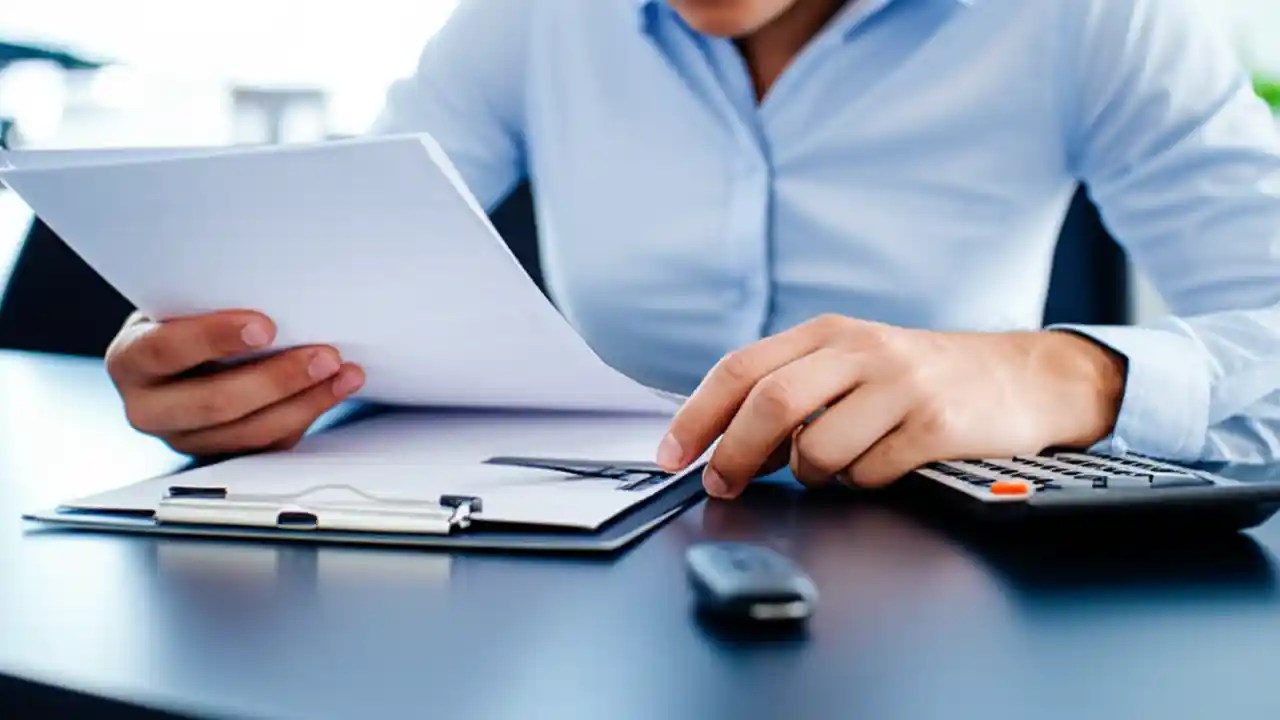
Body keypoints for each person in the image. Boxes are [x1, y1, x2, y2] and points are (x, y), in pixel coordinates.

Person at [104, 0, 1280, 500]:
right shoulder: (524, 20)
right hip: (570, 566)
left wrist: (1062, 372)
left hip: (944, 581)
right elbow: (332, 262)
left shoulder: (1095, 19)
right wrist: (230, 355)